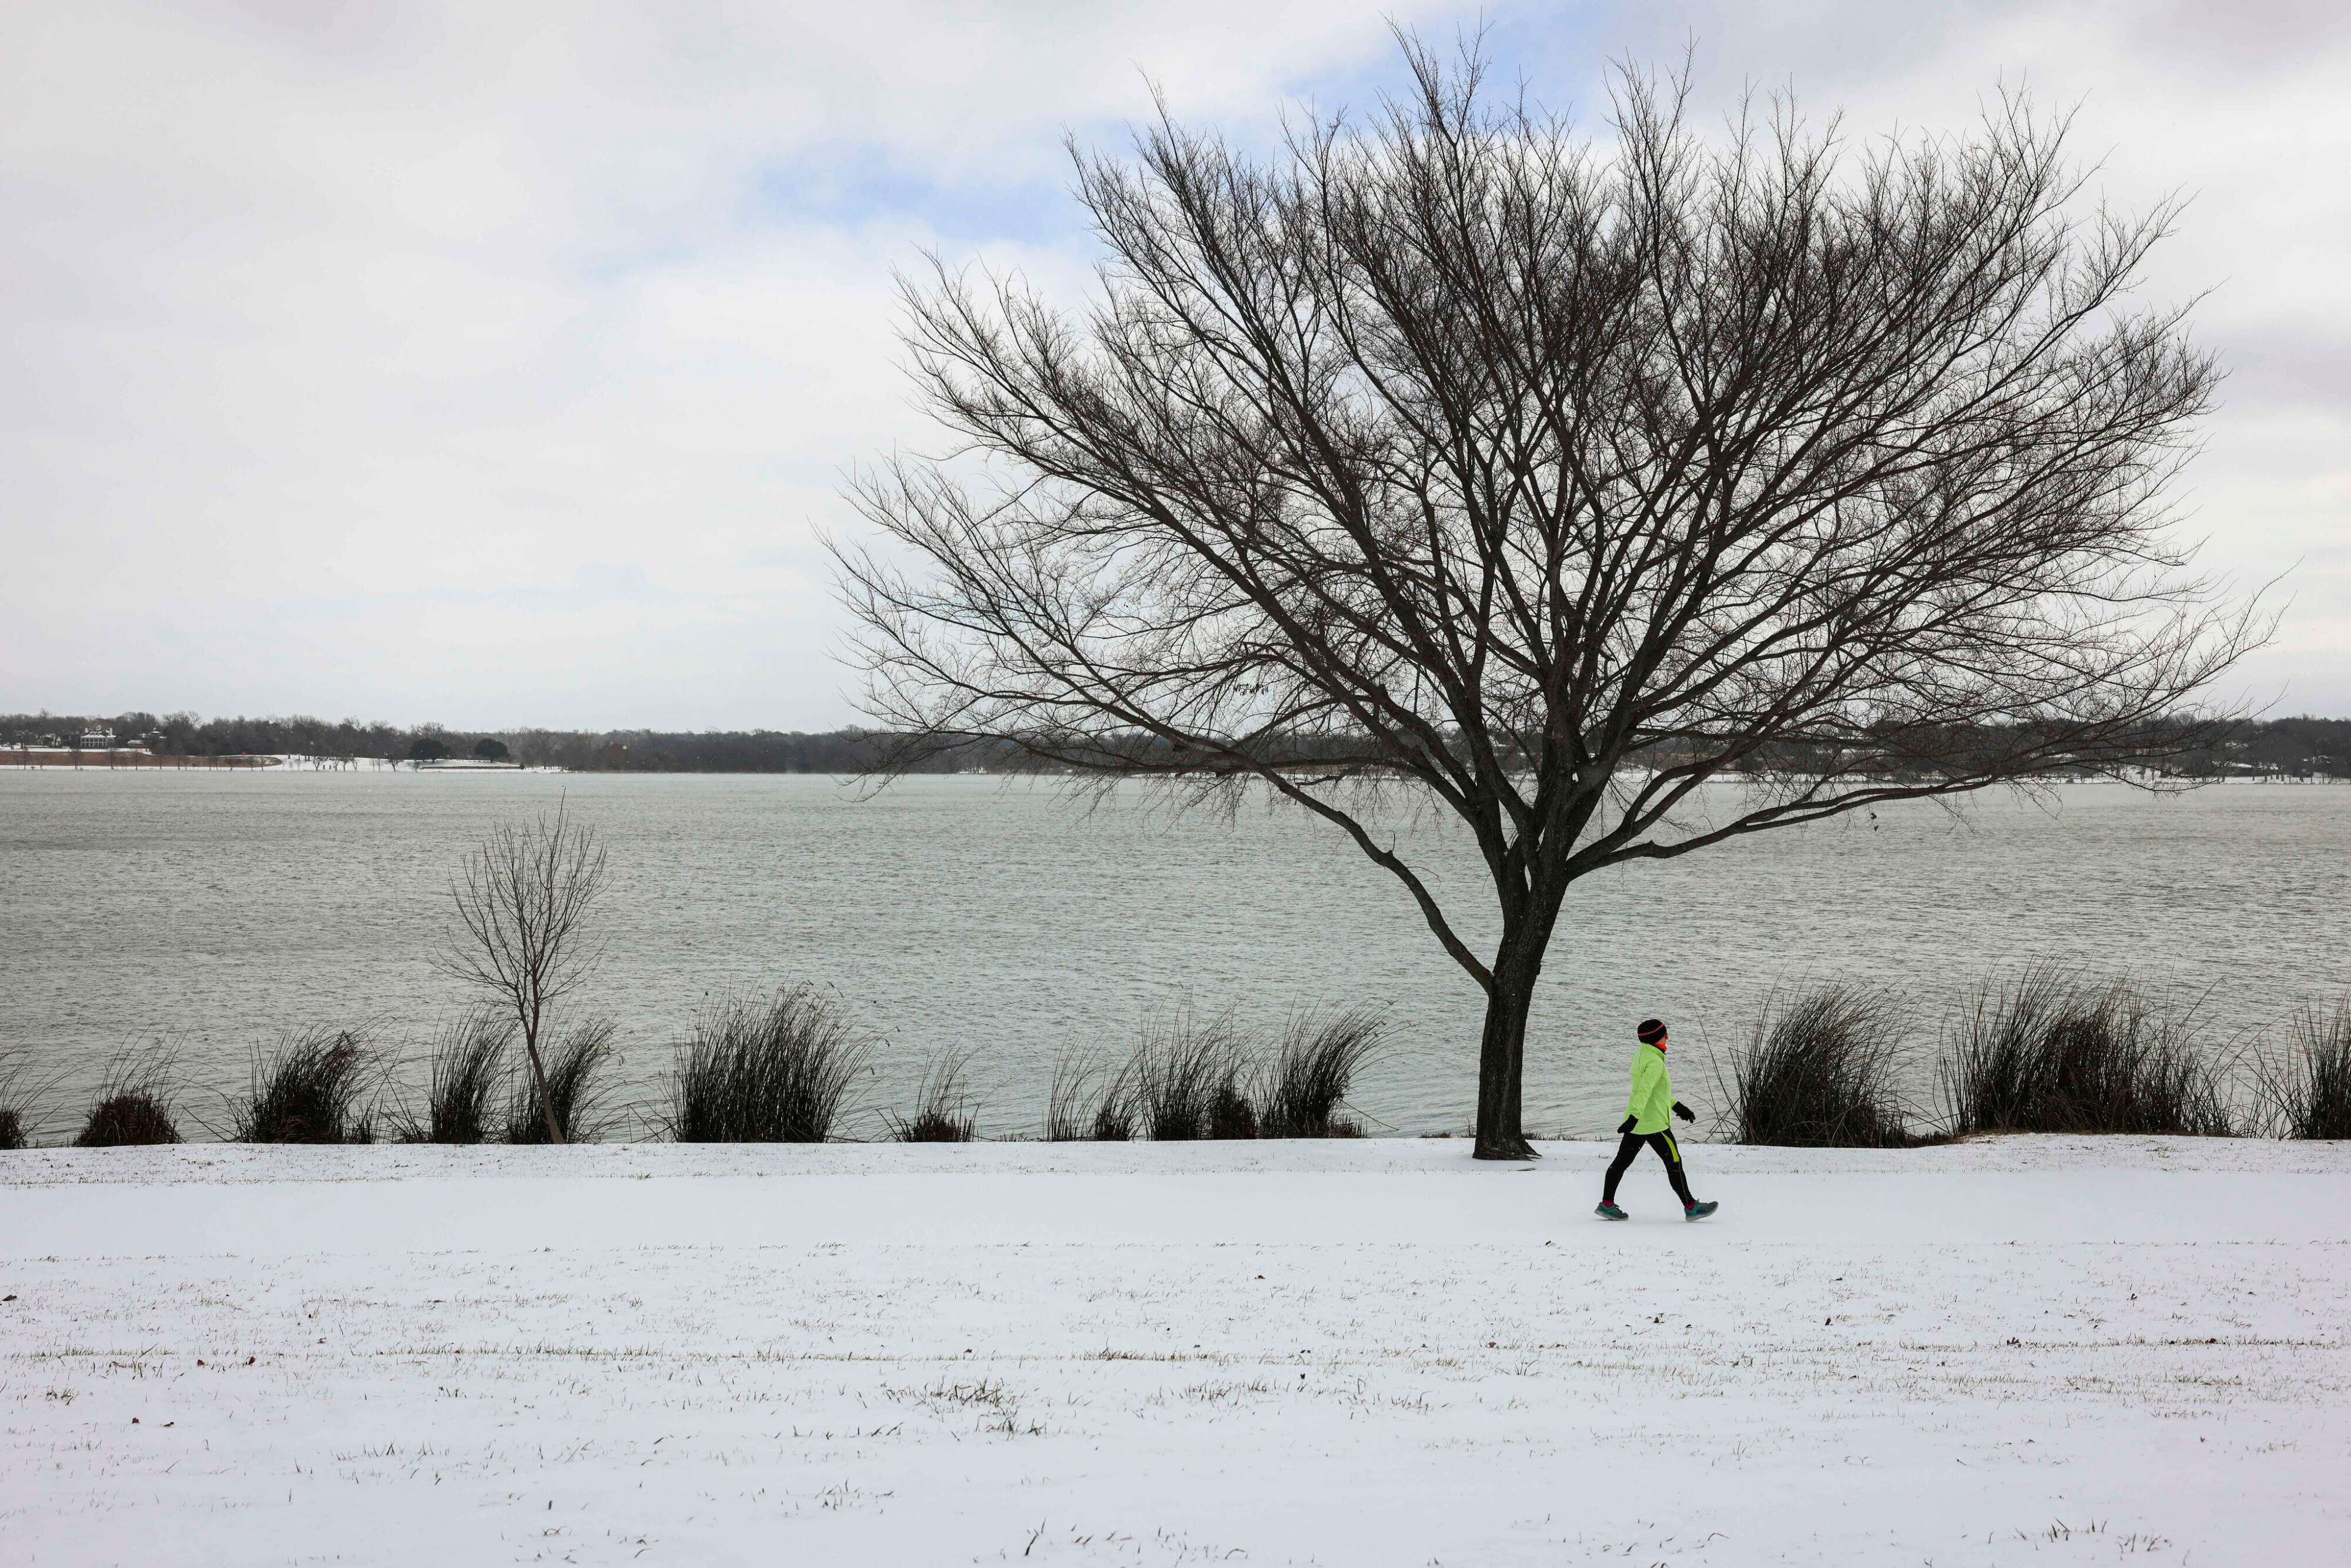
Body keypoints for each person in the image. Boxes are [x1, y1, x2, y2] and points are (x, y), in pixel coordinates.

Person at [1595, 1018, 1719, 1221]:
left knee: (1620, 1163)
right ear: (1655, 1039)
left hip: (1639, 1124)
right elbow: (1644, 1092)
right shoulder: (1655, 1062)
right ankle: (1691, 1207)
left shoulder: (1642, 1055)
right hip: (1654, 1124)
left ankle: (1607, 1204)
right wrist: (1635, 1116)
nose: (1668, 1037)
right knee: (1674, 1163)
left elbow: (1652, 1093)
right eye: (1664, 1035)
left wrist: (1676, 1105)